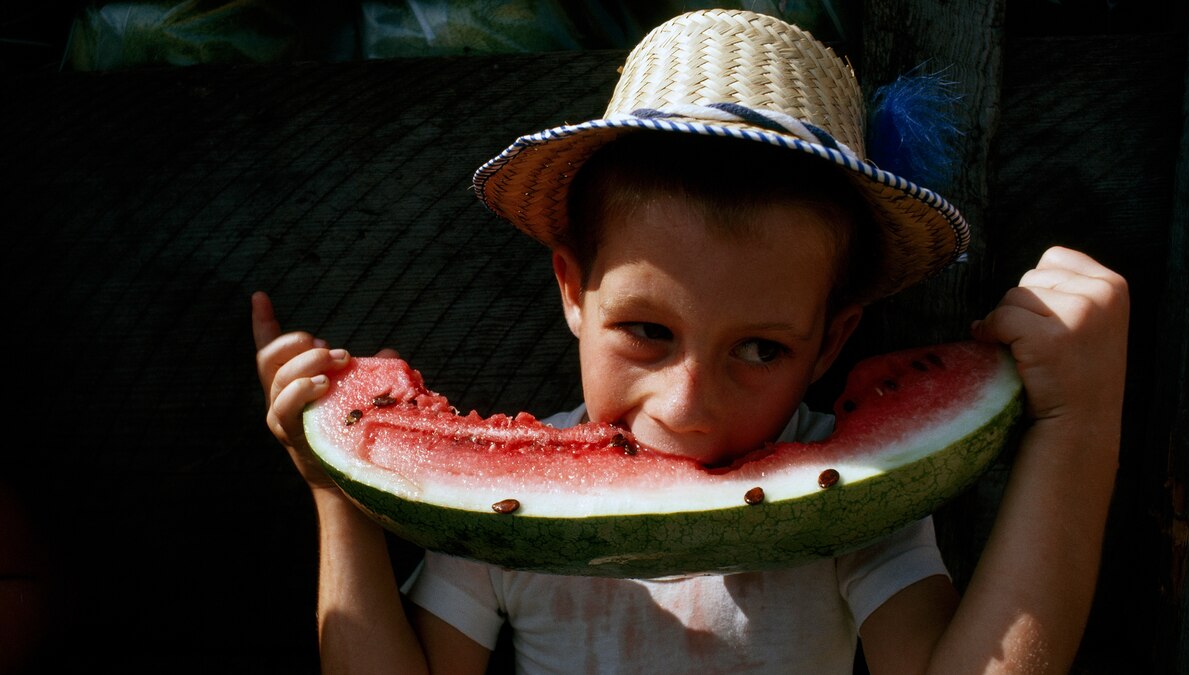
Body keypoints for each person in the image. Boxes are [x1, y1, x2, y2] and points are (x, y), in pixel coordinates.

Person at [252, 9, 1129, 673]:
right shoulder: (504, 516)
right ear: (573, 290)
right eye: (646, 331)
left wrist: (1076, 429)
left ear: (831, 344)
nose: (688, 406)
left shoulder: (854, 502)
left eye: (760, 350)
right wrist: (344, 488)